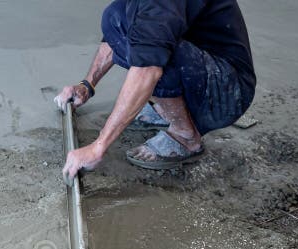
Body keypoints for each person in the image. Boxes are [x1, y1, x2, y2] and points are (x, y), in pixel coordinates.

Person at [56, 0, 256, 178]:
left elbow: (147, 70)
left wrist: (98, 147)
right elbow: (119, 27)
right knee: (116, 16)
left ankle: (186, 136)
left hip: (226, 92)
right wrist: (87, 85)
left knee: (152, 53)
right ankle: (169, 110)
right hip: (201, 67)